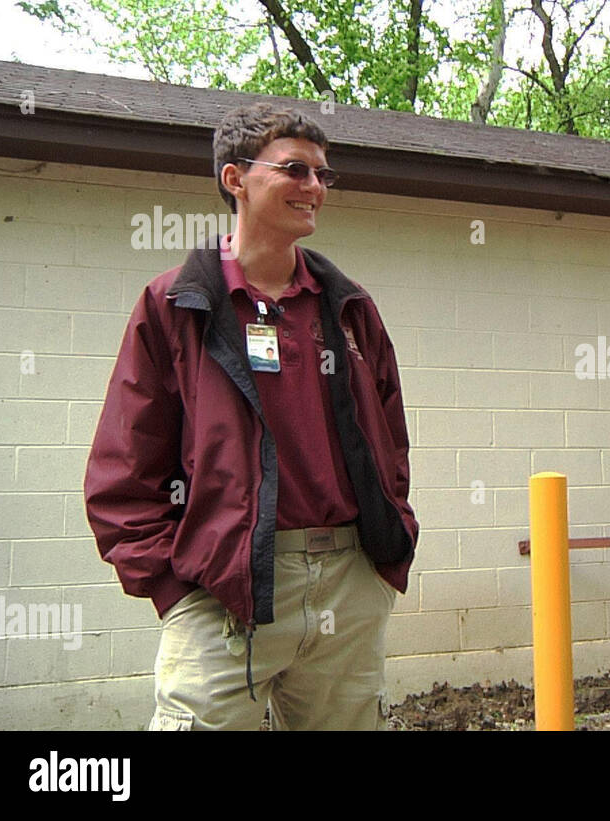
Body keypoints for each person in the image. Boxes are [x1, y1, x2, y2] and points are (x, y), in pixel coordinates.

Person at [84, 103, 419, 730]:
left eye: (323, 174)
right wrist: (174, 590)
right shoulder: (175, 305)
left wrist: (380, 556)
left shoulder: (349, 308)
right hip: (221, 591)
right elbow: (123, 468)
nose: (315, 187)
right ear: (235, 178)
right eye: (295, 170)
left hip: (347, 586)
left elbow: (391, 443)